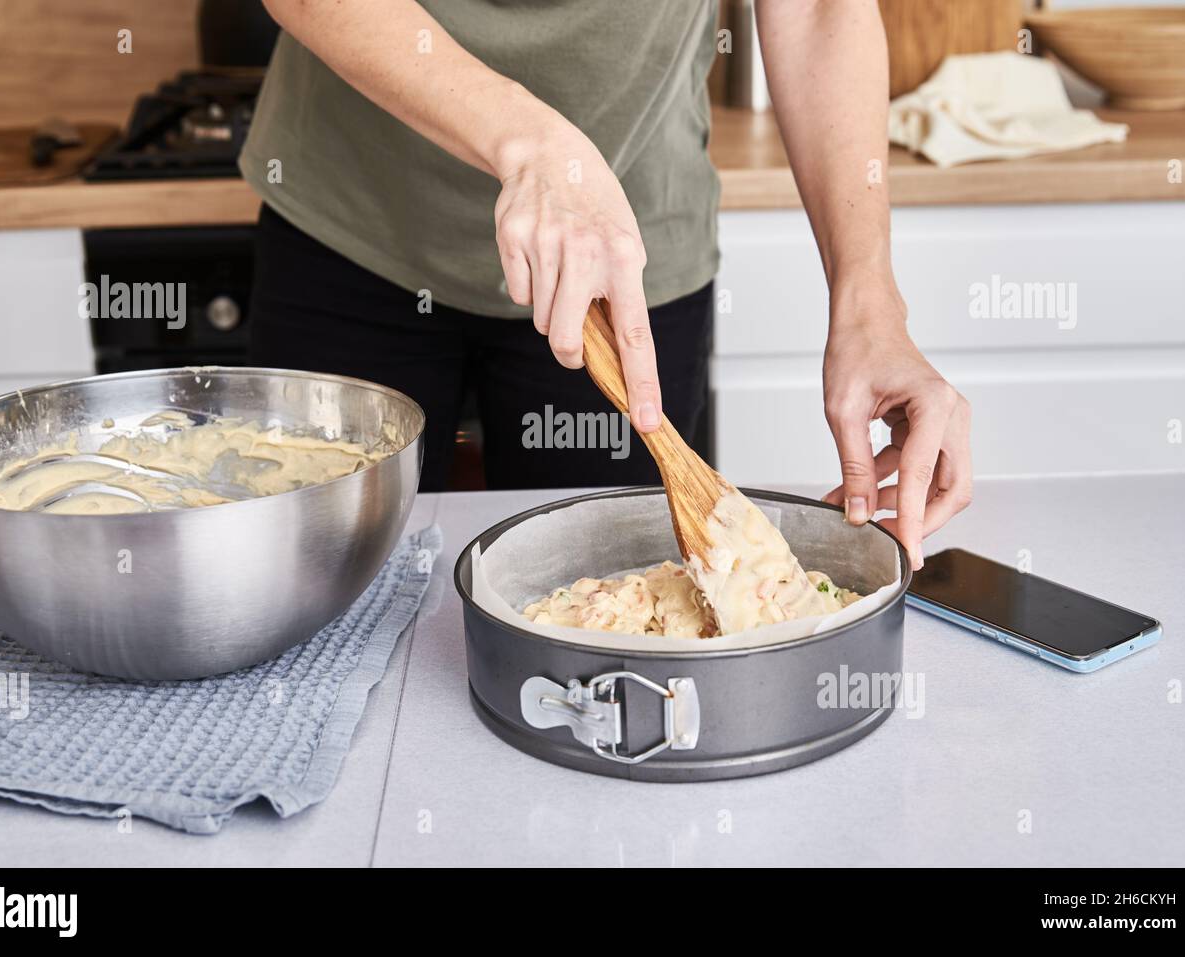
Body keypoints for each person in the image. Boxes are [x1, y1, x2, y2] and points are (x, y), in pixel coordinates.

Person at [240, 0, 971, 570]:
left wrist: (867, 296)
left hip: (624, 266)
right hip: (352, 224)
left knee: (617, 611)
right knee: (320, 592)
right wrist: (532, 142)